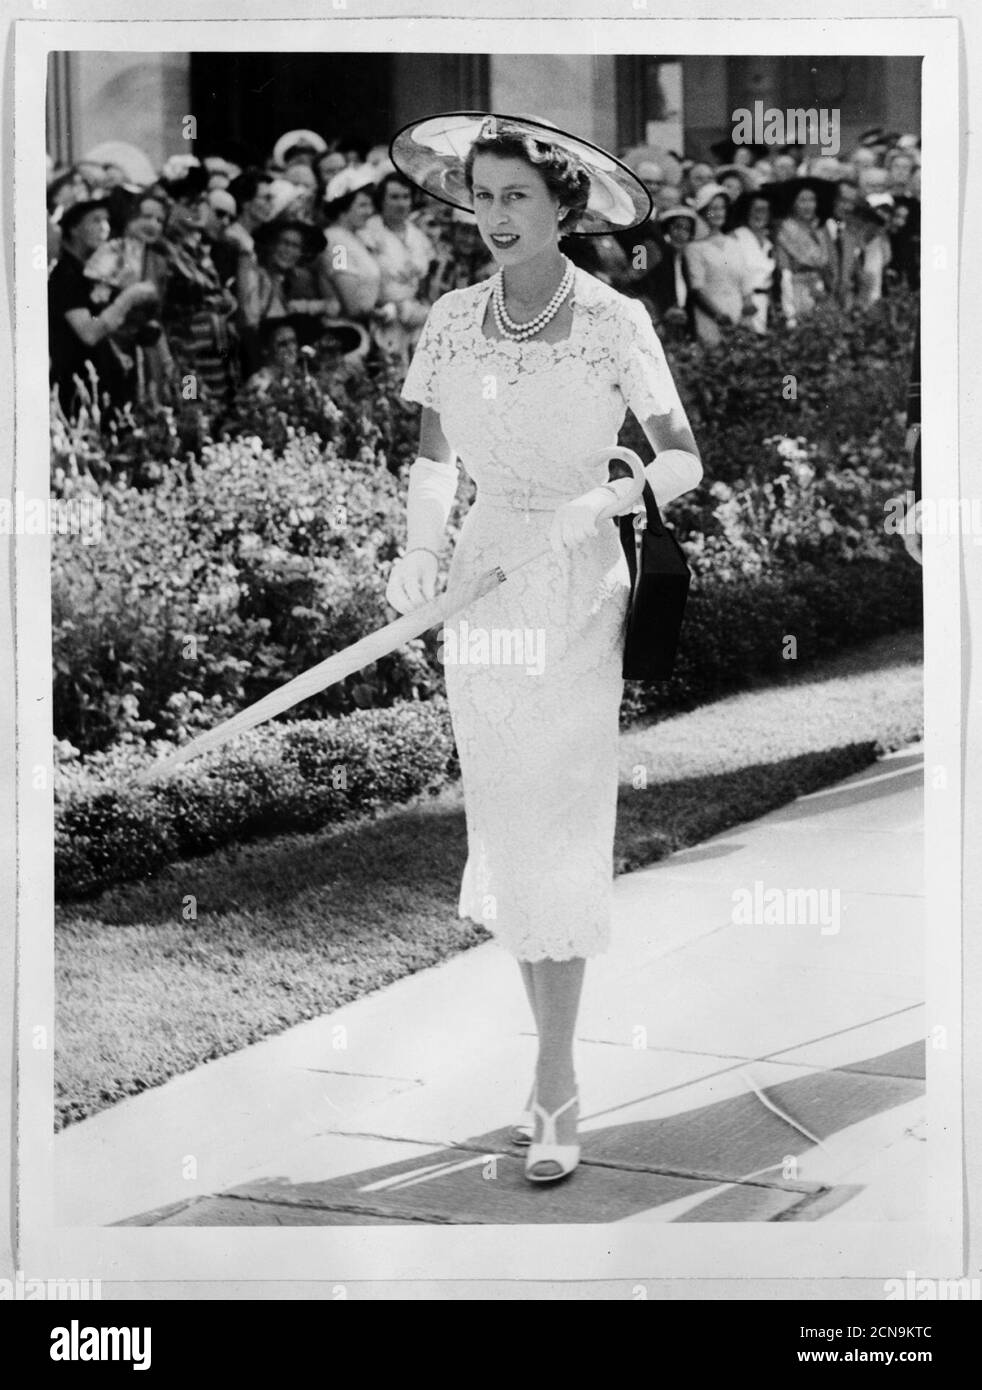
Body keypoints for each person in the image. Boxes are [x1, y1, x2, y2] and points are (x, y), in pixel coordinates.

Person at [386, 112, 702, 1184]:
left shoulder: (615, 320)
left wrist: (604, 498)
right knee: (514, 829)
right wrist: (420, 552)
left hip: (573, 589)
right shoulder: (453, 318)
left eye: (516, 196)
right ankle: (546, 1067)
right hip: (483, 588)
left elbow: (681, 462)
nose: (494, 215)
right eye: (481, 196)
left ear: (563, 208)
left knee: (563, 824)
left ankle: (558, 1081)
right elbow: (434, 464)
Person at [47, 198, 157, 415]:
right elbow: (89, 332)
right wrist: (128, 297)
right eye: (95, 221)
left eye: (106, 220)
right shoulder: (66, 276)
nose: (104, 227)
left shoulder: (89, 273)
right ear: (74, 230)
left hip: (104, 381)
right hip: (79, 389)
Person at [360, 172, 435, 365]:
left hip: (417, 317)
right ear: (381, 200)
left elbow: (425, 281)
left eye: (405, 197)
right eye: (394, 197)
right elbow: (345, 267)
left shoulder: (418, 236)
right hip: (382, 317)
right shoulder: (367, 233)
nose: (401, 203)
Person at [682, 182, 757, 347]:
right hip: (711, 316)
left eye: (721, 208)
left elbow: (745, 282)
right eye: (712, 208)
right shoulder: (694, 247)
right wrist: (719, 316)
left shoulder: (734, 242)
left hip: (738, 314)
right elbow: (697, 289)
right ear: (702, 212)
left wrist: (747, 308)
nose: (718, 213)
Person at [320, 167, 382, 325]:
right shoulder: (335, 243)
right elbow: (351, 305)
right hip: (346, 329)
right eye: (362, 205)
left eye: (370, 205)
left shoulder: (357, 237)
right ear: (343, 207)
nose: (369, 211)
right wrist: (381, 314)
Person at [772, 178, 836, 325]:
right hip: (797, 288)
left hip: (822, 286)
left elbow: (828, 261)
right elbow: (784, 270)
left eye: (812, 200)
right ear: (794, 203)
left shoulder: (820, 228)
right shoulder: (785, 229)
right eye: (802, 200)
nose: (808, 206)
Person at [727, 189, 777, 334]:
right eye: (756, 210)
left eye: (764, 211)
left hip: (766, 303)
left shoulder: (769, 242)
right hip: (744, 302)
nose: (759, 215)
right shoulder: (736, 237)